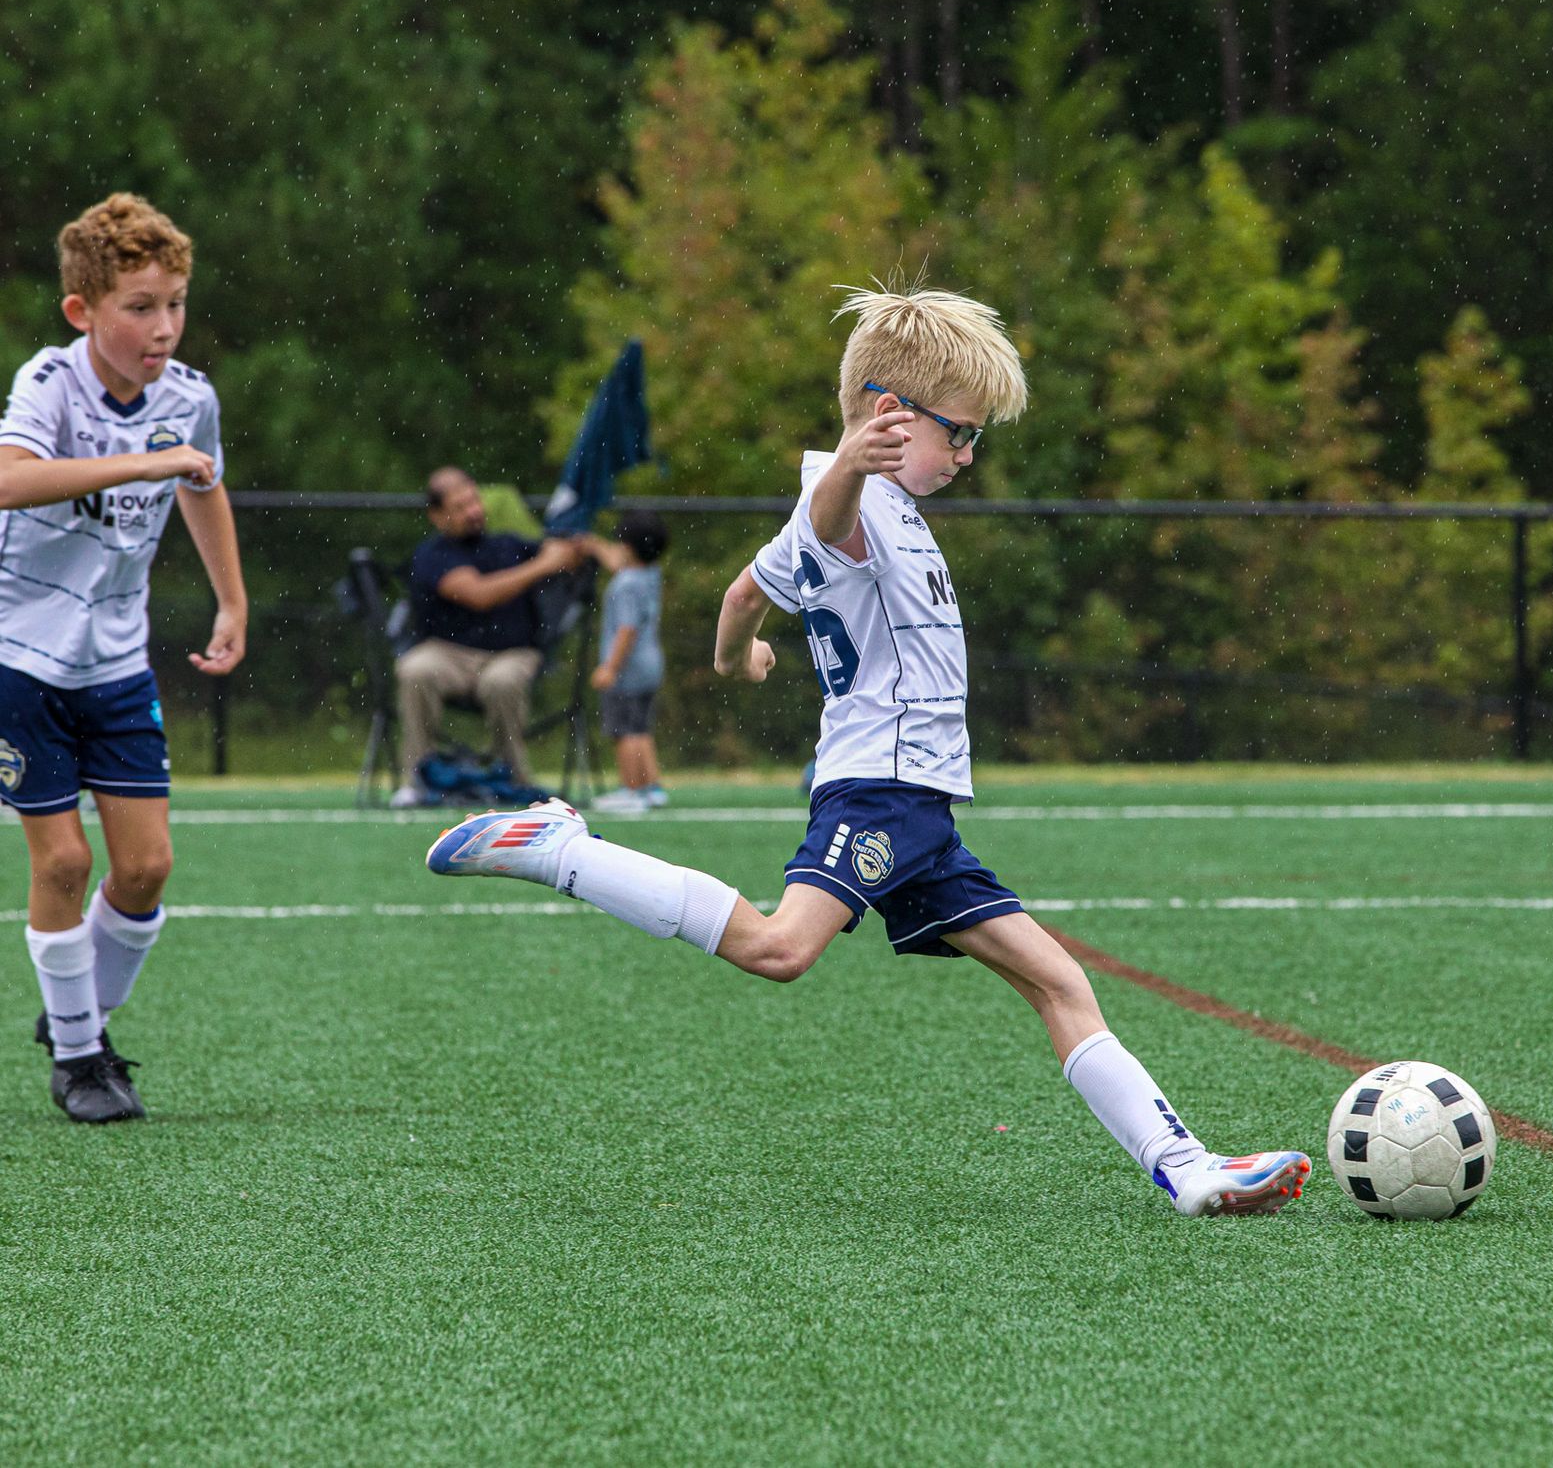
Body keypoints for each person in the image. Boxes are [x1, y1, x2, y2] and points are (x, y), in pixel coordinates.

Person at [424, 285, 1312, 1217]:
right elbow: (829, 511)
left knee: (1059, 982)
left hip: (922, 812)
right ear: (890, 417)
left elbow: (738, 597)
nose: (968, 454)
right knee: (778, 949)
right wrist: (849, 463)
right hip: (878, 793)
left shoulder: (879, 507)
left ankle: (1188, 1171)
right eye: (961, 433)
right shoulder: (849, 498)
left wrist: (744, 657)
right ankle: (560, 849)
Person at [0, 193, 246, 1124]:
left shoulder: (189, 397)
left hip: (114, 664)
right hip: (18, 659)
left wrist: (232, 597)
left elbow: (204, 486)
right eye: (140, 307)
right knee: (61, 861)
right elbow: (9, 480)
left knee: (144, 869)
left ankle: (76, 1017)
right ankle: (77, 1058)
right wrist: (139, 464)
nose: (164, 326)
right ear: (83, 313)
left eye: (175, 303)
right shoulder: (50, 383)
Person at [391, 468, 586, 805]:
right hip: (448, 654)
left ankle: (512, 776)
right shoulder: (431, 555)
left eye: (474, 501)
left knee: (502, 681)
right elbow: (478, 594)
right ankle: (419, 779)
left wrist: (580, 542)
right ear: (437, 516)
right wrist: (542, 565)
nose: (474, 511)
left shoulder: (508, 544)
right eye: (461, 506)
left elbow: (566, 556)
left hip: (512, 653)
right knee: (414, 668)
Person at [588, 509, 669, 815]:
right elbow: (618, 562)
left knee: (624, 731)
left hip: (628, 668)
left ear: (628, 547)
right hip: (651, 663)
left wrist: (610, 667)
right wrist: (594, 546)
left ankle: (631, 789)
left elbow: (626, 629)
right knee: (641, 728)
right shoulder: (649, 574)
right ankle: (652, 787)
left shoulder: (623, 585)